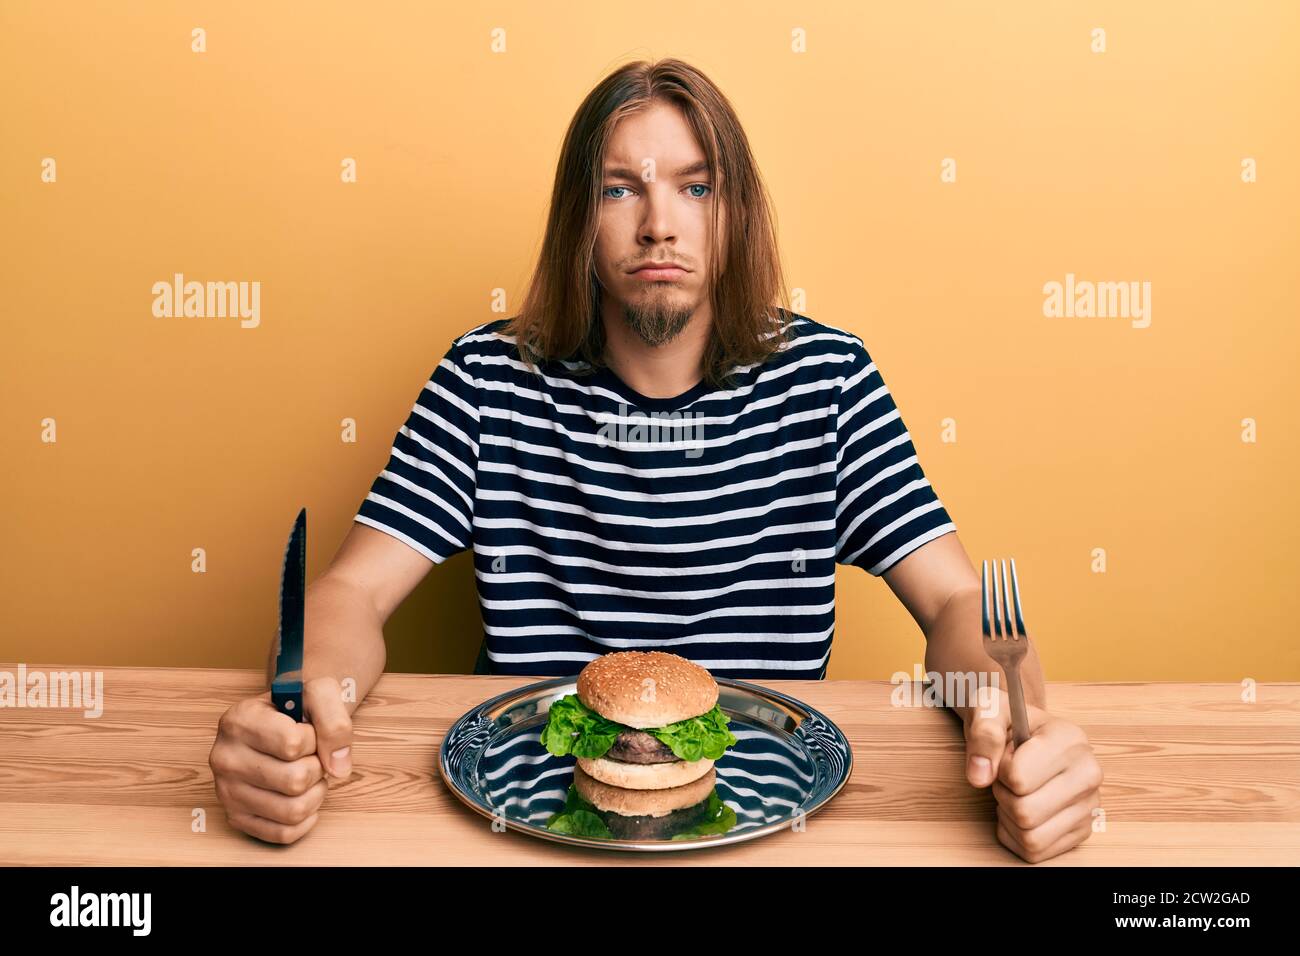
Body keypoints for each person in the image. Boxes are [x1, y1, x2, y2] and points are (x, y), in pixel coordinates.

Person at [210, 58, 1101, 860]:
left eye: (697, 188)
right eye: (619, 190)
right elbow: (350, 593)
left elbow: (955, 598)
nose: (659, 226)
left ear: (736, 213)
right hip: (524, 822)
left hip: (773, 824)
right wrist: (305, 699)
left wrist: (1009, 711)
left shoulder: (827, 380)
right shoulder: (487, 377)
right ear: (579, 222)